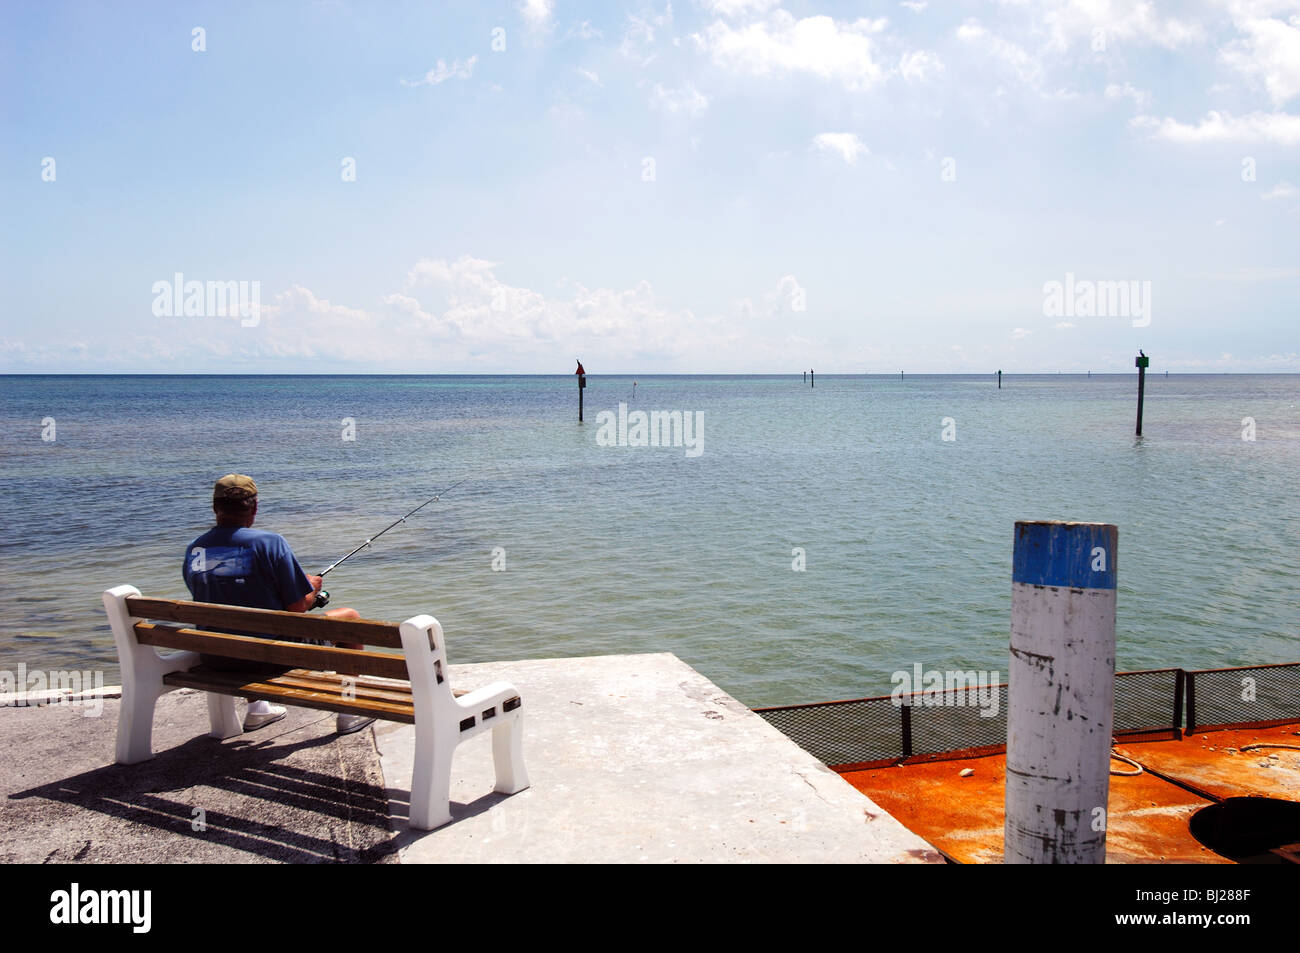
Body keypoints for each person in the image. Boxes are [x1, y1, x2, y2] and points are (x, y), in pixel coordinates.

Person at [182, 474, 374, 735]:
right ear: (255, 507)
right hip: (270, 659)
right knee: (350, 618)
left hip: (216, 657)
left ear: (215, 508)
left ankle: (258, 710)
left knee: (245, 625)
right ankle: (349, 711)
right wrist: (313, 589)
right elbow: (298, 607)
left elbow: (209, 594)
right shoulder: (270, 543)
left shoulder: (195, 548)